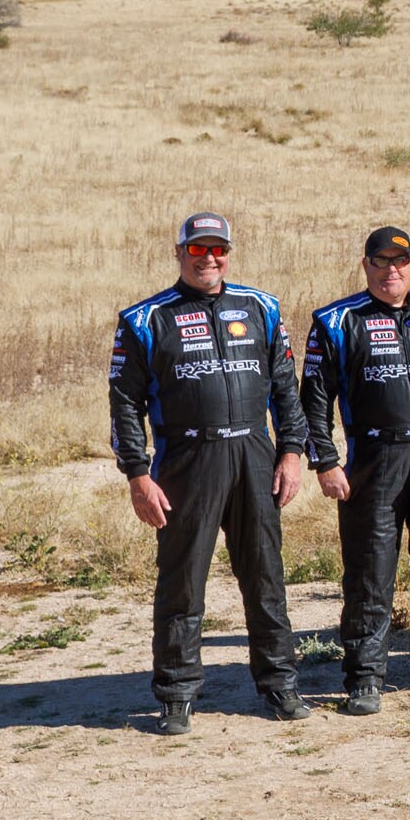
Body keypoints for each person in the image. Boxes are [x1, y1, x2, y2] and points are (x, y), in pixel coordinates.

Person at [111, 213, 309, 735]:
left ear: (229, 253)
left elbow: (287, 389)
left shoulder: (261, 306)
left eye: (218, 249)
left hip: (253, 454)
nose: (210, 259)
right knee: (182, 581)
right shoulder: (145, 318)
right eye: (198, 250)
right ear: (179, 254)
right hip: (185, 462)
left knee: (265, 575)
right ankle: (176, 694)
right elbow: (125, 405)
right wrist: (137, 474)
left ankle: (280, 685)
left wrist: (292, 452)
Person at [303, 226, 410, 710]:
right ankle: (365, 675)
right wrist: (326, 461)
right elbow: (313, 397)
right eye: (381, 261)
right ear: (366, 265)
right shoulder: (337, 320)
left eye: (401, 261)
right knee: (370, 573)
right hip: (372, 462)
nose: (391, 270)